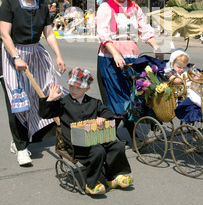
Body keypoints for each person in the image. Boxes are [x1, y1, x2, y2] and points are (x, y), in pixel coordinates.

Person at [0, 0, 66, 167]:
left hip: (35, 51)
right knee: (18, 100)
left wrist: (58, 55)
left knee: (44, 93)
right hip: (12, 52)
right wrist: (16, 57)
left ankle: (26, 136)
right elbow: (4, 34)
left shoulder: (42, 3)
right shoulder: (10, 2)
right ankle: (21, 147)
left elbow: (49, 32)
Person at [39, 67, 133, 196]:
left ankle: (114, 176)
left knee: (117, 146)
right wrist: (50, 99)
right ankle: (92, 183)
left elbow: (108, 112)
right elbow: (45, 114)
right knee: (98, 151)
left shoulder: (94, 102)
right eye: (71, 86)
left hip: (95, 138)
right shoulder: (63, 103)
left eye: (78, 88)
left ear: (86, 89)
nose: (73, 90)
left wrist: (103, 117)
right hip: (75, 143)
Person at [96, 0, 163, 141]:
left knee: (133, 95)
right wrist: (116, 53)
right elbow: (103, 33)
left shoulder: (135, 8)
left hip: (132, 57)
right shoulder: (106, 7)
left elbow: (144, 29)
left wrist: (156, 47)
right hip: (111, 57)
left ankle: (114, 134)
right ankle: (130, 136)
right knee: (119, 97)